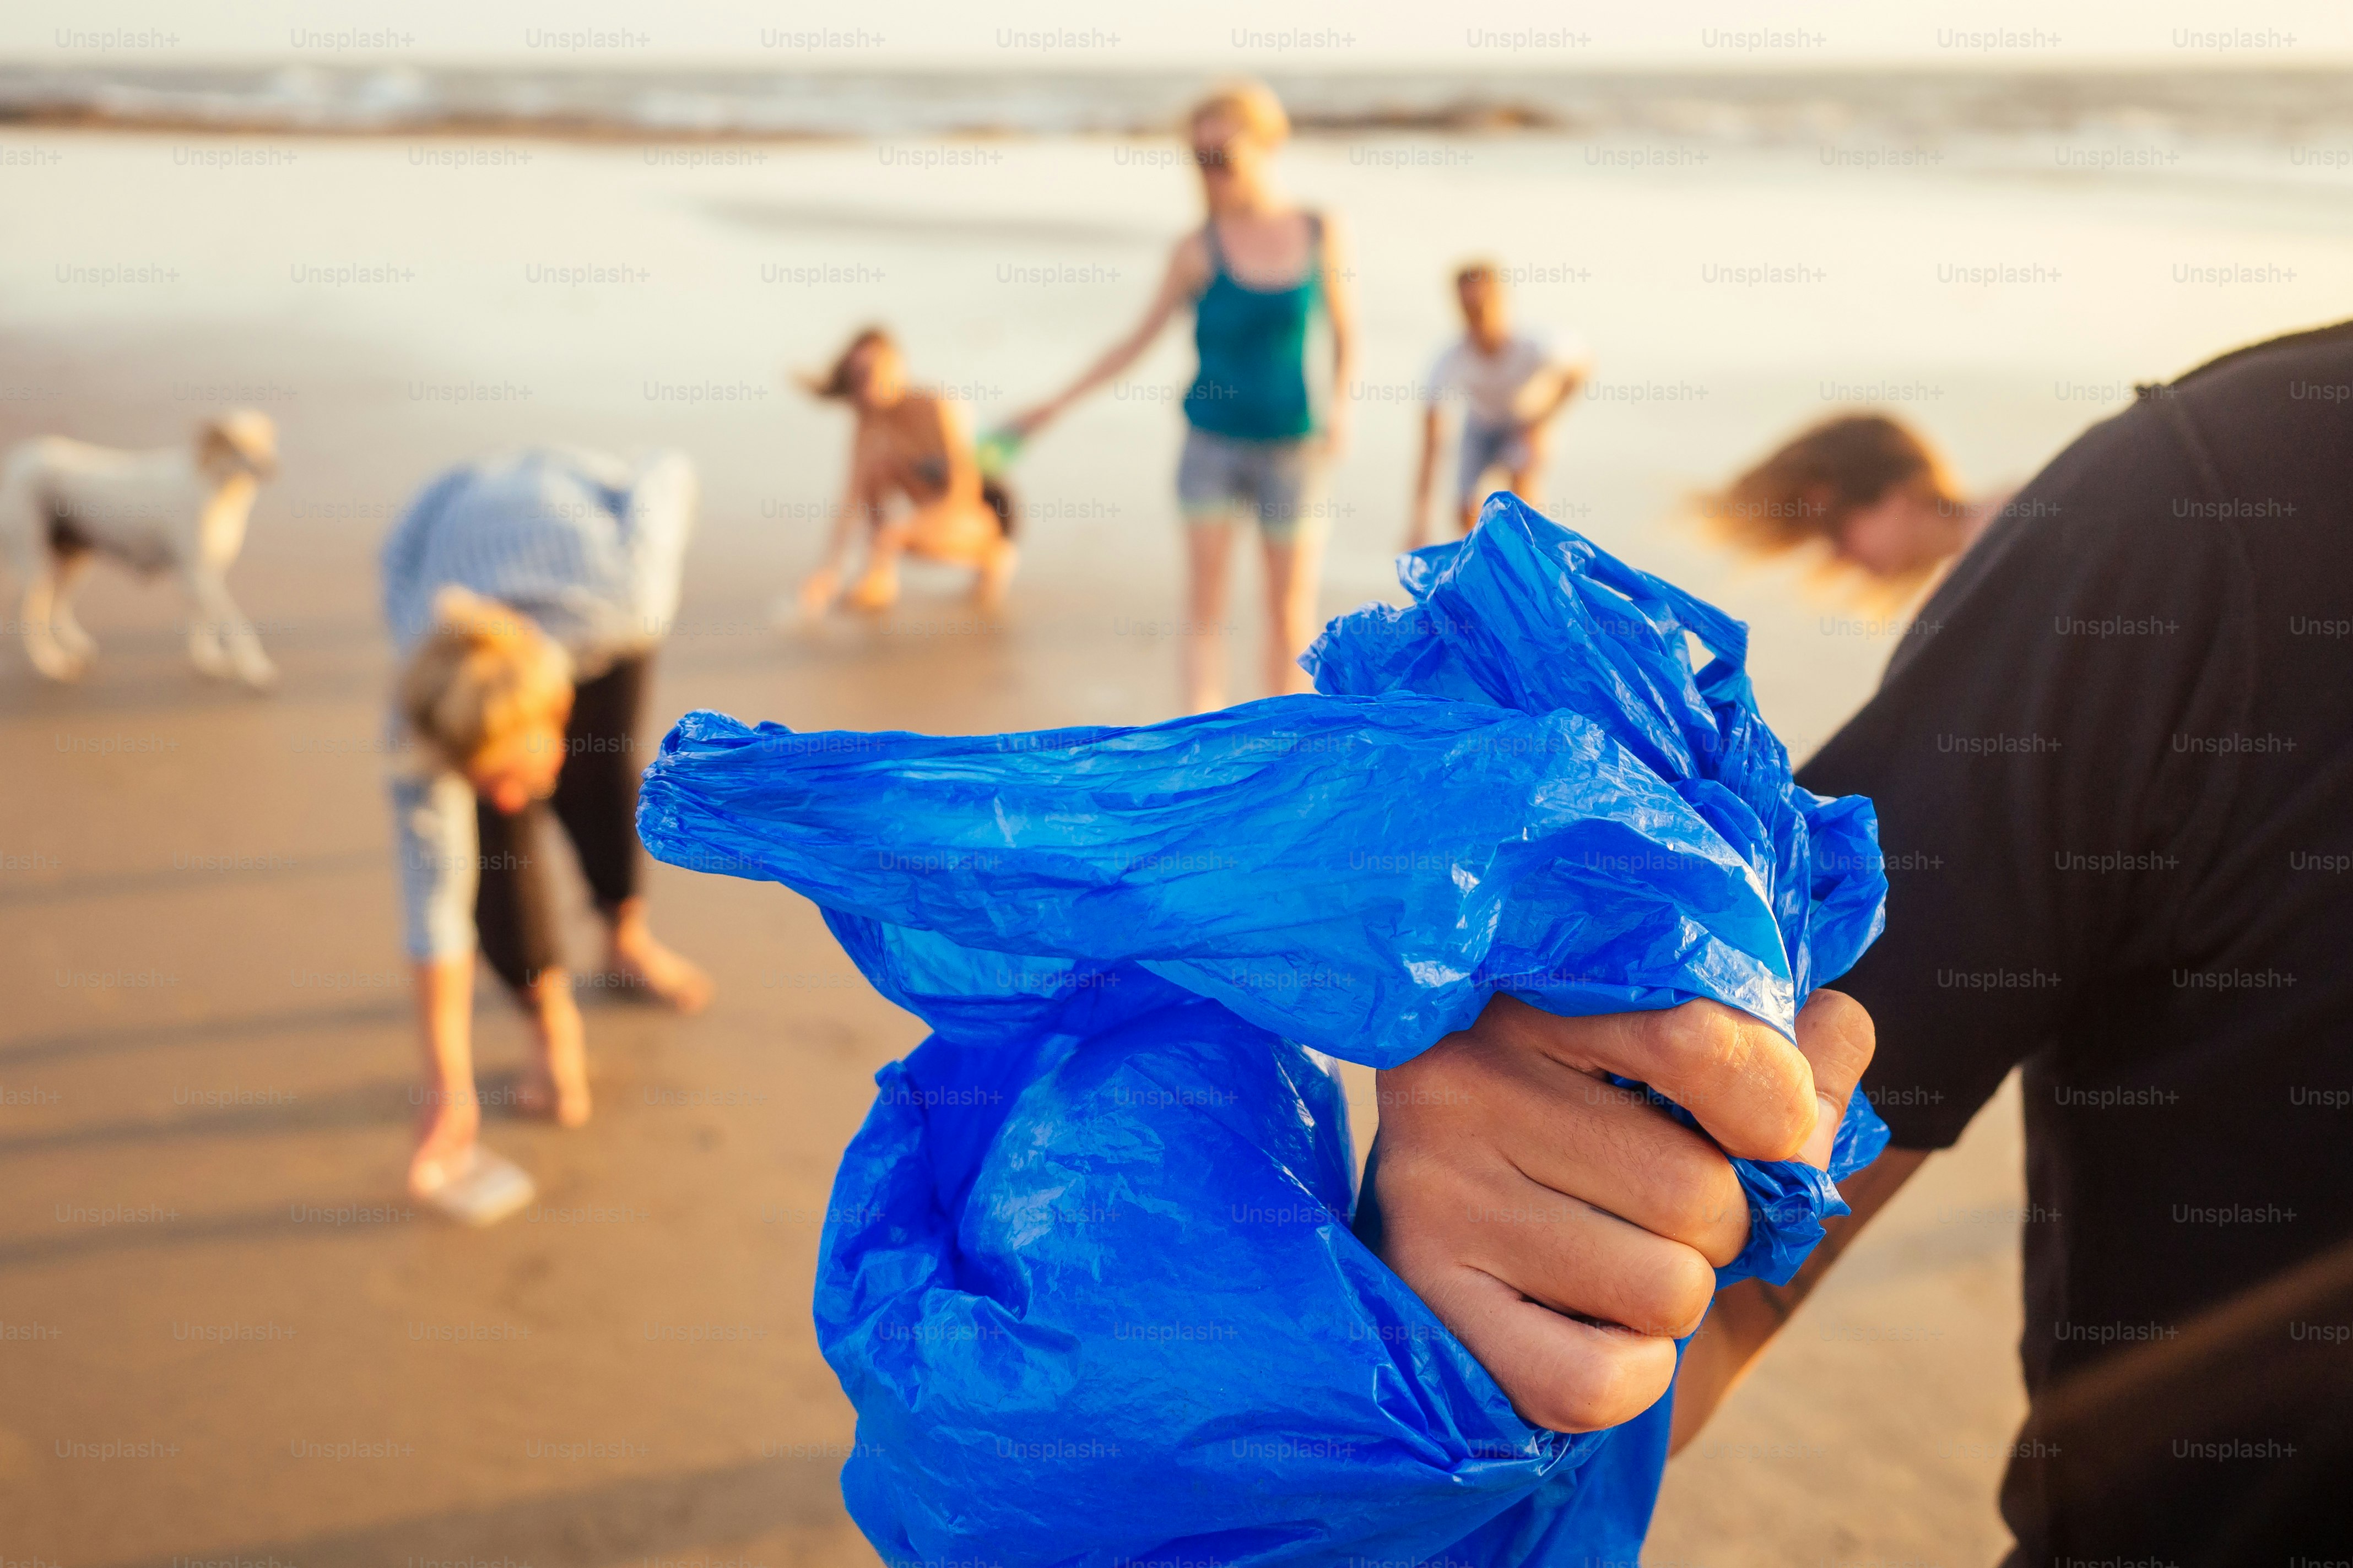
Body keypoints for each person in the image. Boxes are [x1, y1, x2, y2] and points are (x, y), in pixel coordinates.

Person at [1364, 322, 2353, 1562]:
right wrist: (1527, 1252)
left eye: (1839, 533)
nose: (1839, 562)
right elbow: (1727, 1220)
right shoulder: (2193, 533)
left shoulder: (2154, 536)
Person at [381, 447, 712, 1223]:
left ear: (553, 713)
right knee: (495, 837)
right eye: (482, 770)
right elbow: (431, 904)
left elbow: (669, 471)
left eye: (514, 766)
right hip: (456, 521)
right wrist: (447, 1085)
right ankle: (548, 1024)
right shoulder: (420, 706)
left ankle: (625, 938)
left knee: (601, 777)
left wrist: (591, 477)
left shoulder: (629, 595)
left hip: (585, 538)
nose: (505, 786)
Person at [1011, 79, 1357, 712]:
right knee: (1205, 608)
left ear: (1263, 146)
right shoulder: (1195, 249)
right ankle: (1201, 737)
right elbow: (1133, 342)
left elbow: (1345, 329)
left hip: (1292, 447)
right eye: (1199, 159)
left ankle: (1280, 739)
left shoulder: (1317, 230)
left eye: (1221, 155)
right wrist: (1051, 406)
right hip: (1210, 445)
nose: (1210, 172)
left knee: (1288, 611)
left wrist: (1342, 411)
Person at [794, 327, 1019, 618]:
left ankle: (995, 557)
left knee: (894, 531)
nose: (863, 384)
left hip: (984, 508)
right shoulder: (871, 419)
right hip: (930, 500)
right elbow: (852, 494)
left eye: (869, 372)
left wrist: (904, 530)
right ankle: (881, 576)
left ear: (896, 364)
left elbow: (965, 489)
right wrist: (829, 570)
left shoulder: (937, 404)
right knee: (877, 467)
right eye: (855, 376)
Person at [1706, 411, 2011, 597]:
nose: (1838, 557)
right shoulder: (1989, 548)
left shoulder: (1996, 561)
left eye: (1834, 530)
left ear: (1896, 496)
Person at [1405, 262, 1588, 549]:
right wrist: (1419, 523)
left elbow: (1580, 367)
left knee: (1523, 491)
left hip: (1523, 422)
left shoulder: (1535, 344)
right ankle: (1484, 569)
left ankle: (1535, 556)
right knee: (1465, 510)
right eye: (1467, 309)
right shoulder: (1451, 360)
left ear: (1501, 300)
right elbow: (1431, 443)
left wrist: (1544, 420)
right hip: (1480, 426)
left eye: (1482, 307)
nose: (1476, 319)